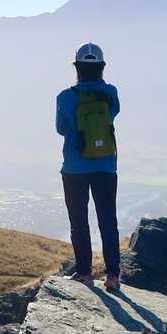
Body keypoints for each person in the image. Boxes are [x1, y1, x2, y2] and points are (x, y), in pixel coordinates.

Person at [55, 42, 121, 291]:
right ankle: (113, 275)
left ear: (77, 68)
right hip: (105, 165)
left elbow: (61, 129)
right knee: (108, 220)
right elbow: (113, 114)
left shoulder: (64, 97)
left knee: (79, 221)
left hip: (74, 168)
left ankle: (84, 273)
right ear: (102, 67)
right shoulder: (111, 93)